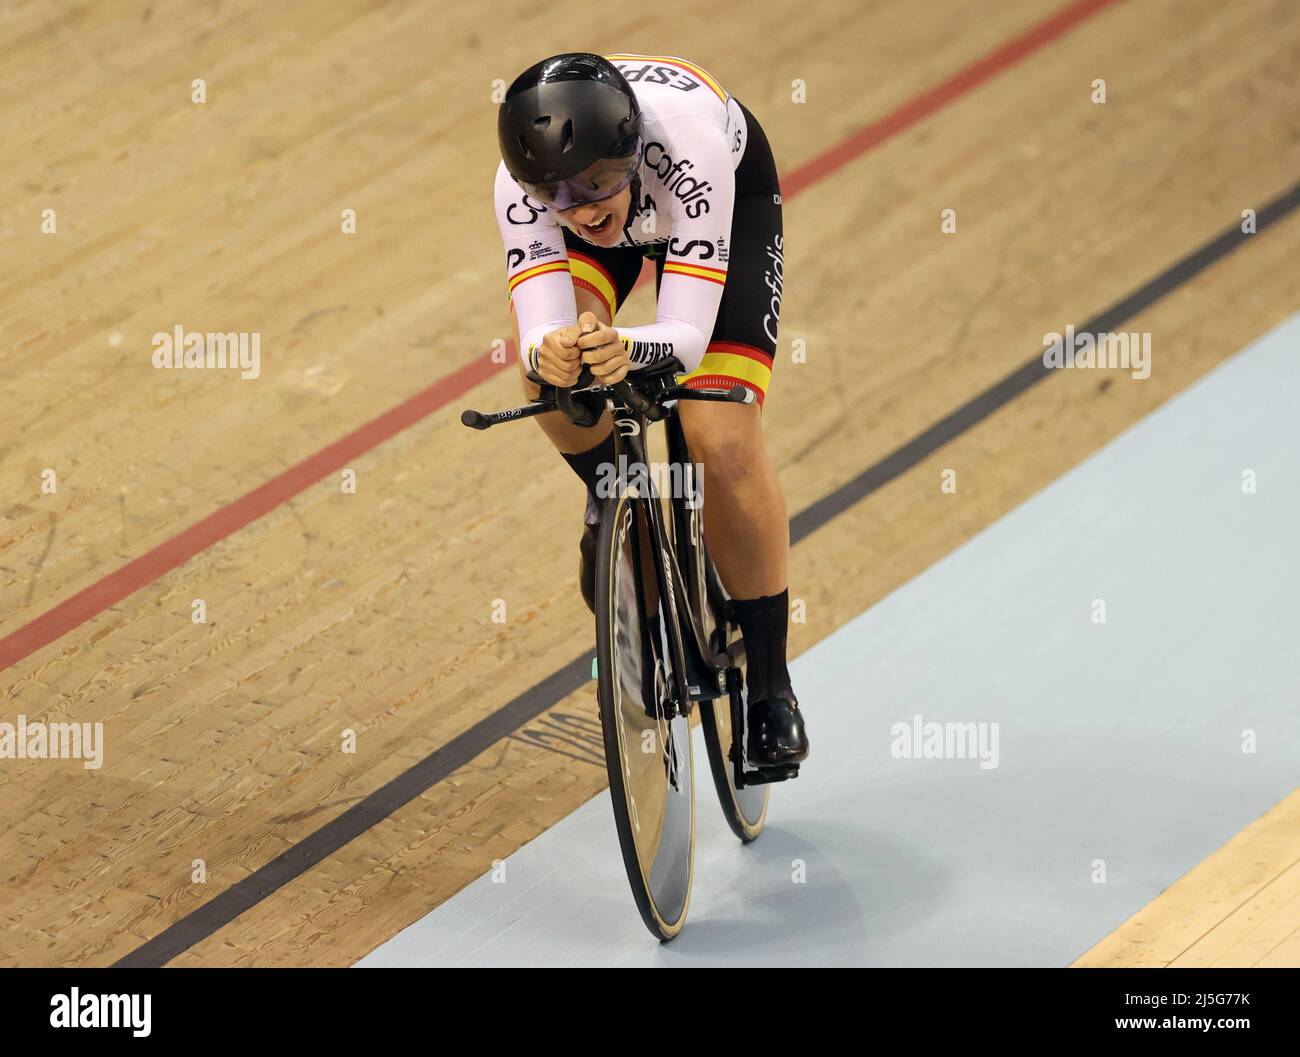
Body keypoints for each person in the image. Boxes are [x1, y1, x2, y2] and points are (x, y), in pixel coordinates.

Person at [493, 52, 807, 768]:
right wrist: (563, 352)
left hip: (718, 204)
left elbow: (688, 338)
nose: (583, 208)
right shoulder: (523, 188)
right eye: (558, 196)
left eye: (598, 183)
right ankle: (612, 499)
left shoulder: (689, 145)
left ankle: (771, 688)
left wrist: (625, 348)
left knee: (719, 440)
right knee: (553, 384)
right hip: (624, 225)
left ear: (629, 150)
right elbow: (539, 333)